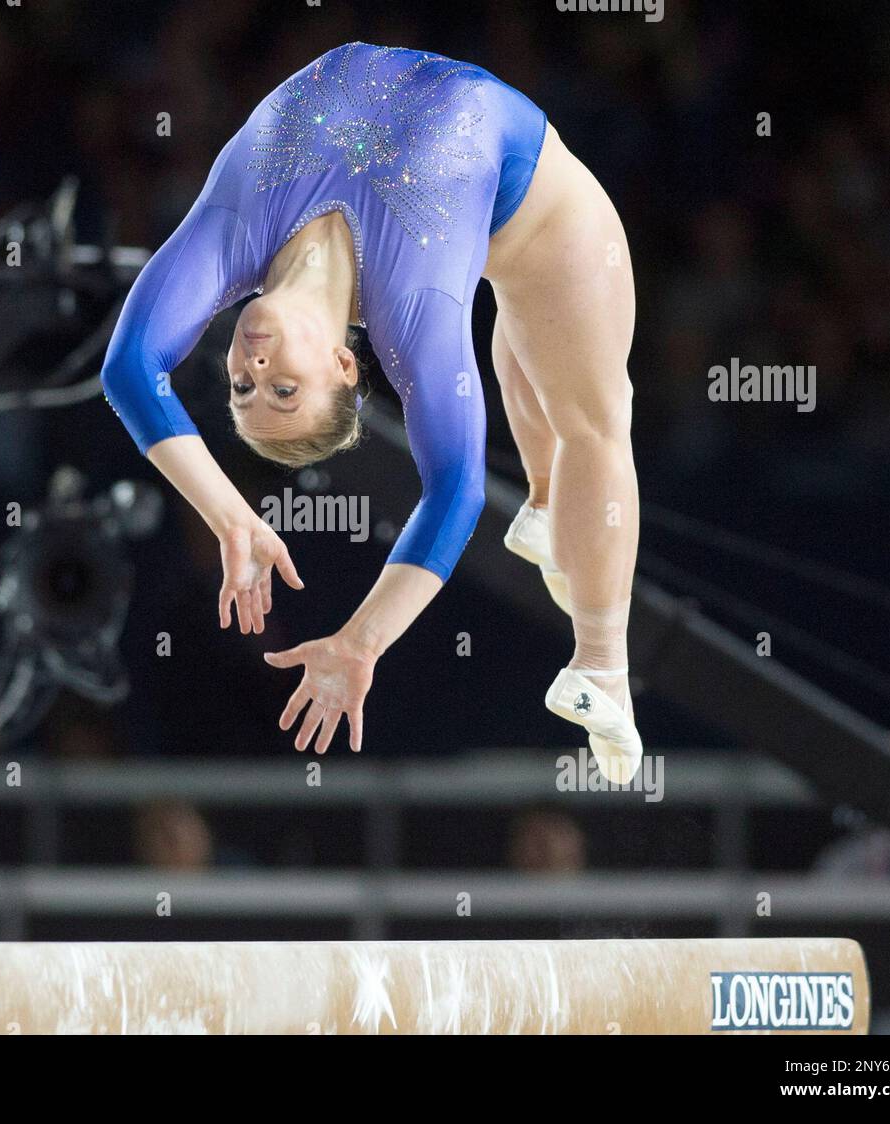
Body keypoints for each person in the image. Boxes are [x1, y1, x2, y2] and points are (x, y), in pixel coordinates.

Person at [101, 43, 641, 780]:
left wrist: (229, 516)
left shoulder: (233, 238)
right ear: (343, 364)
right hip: (544, 226)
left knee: (546, 406)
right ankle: (604, 666)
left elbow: (130, 366)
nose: (253, 372)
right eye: (283, 392)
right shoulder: (412, 304)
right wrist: (362, 640)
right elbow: (457, 489)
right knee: (601, 419)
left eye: (242, 390)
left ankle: (549, 516)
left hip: (488, 218)